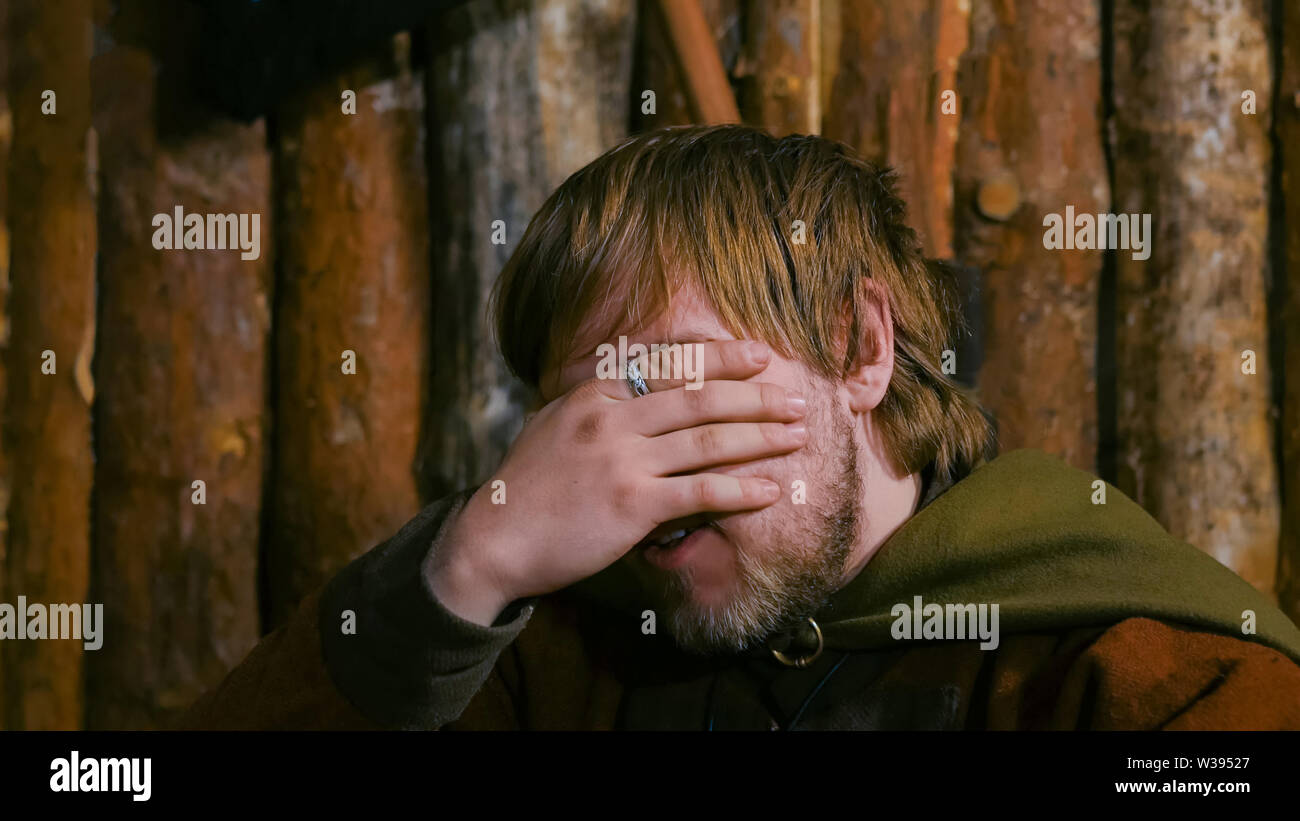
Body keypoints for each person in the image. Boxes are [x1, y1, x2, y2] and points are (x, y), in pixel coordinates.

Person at [184, 124, 1300, 730]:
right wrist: (462, 572)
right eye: (582, 415)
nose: (633, 470)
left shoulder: (1138, 670)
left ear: (859, 350)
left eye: (668, 384)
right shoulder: (547, 650)